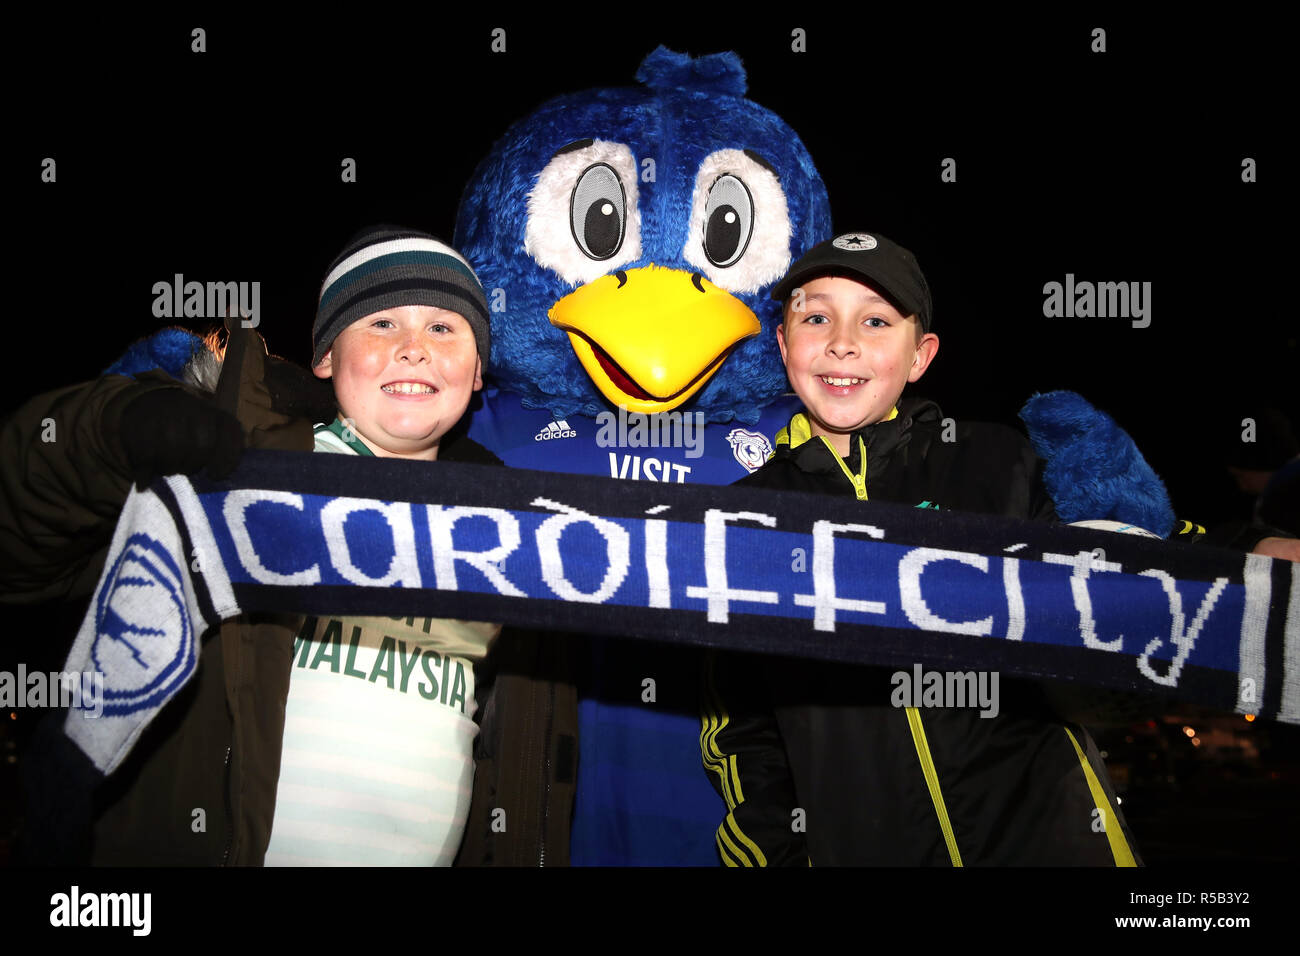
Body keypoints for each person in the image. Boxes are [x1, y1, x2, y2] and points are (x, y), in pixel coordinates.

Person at [1, 225, 576, 864]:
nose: (414, 348)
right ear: (326, 356)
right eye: (381, 323)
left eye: (444, 328)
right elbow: (22, 538)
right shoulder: (241, 469)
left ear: (475, 373)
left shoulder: (513, 533)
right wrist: (111, 435)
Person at [700, 231, 1140, 865]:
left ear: (920, 356)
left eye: (876, 321)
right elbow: (739, 728)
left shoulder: (1004, 464)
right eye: (816, 316)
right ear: (783, 344)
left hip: (1051, 839)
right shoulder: (743, 519)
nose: (842, 341)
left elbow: (1145, 568)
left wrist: (1252, 546)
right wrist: (779, 851)